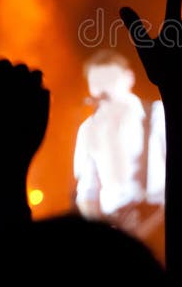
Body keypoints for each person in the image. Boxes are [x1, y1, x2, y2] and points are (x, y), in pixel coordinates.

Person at [72, 49, 166, 238]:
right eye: (97, 82)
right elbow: (87, 191)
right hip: (115, 230)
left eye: (109, 80)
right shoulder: (88, 129)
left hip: (161, 224)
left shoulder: (158, 115)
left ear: (128, 78)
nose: (103, 89)